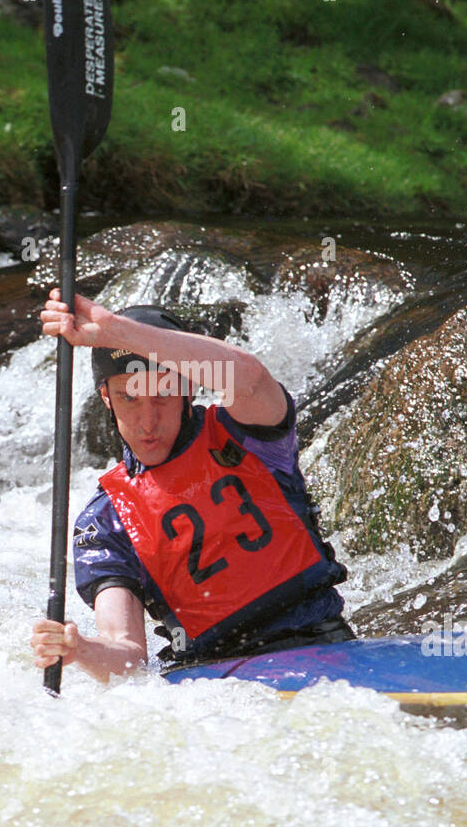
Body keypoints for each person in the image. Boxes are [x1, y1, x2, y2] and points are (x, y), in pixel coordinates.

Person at [31, 288, 353, 682]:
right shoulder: (105, 522)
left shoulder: (248, 436)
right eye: (130, 399)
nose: (148, 421)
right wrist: (78, 650)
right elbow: (129, 659)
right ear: (106, 398)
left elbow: (249, 378)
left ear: (187, 387)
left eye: (164, 393)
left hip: (315, 642)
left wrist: (114, 330)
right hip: (204, 680)